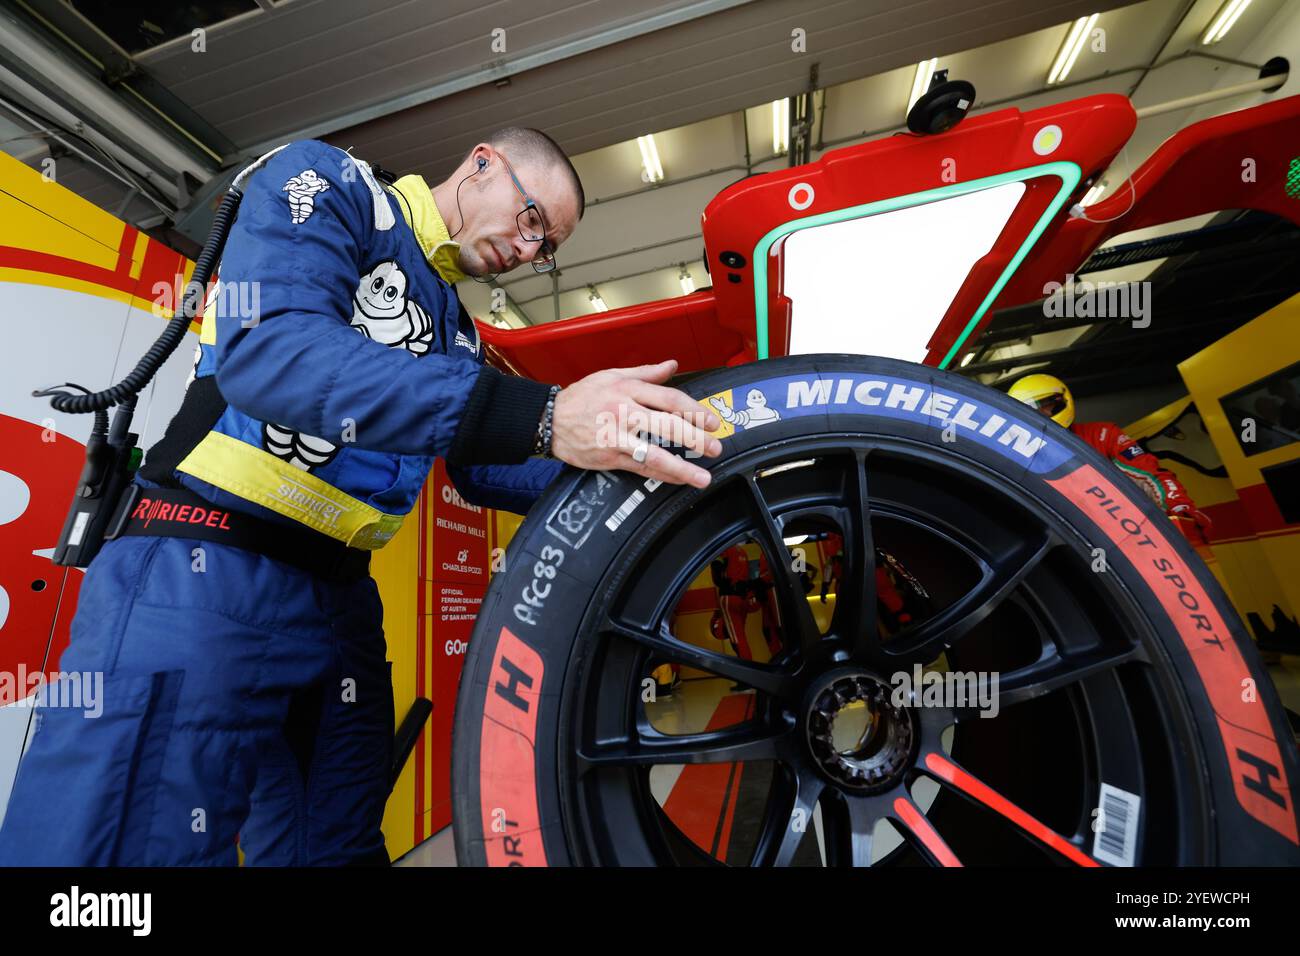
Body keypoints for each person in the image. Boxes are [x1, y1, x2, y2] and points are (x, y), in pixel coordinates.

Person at [0, 128, 721, 866]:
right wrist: (541, 413)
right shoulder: (331, 183)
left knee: (336, 849)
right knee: (119, 856)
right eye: (533, 220)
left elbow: (486, 467)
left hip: (340, 607)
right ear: (482, 164)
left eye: (548, 246)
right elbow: (271, 349)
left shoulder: (458, 335)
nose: (532, 250)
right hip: (203, 565)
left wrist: (641, 464)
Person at [1008, 373, 1212, 545]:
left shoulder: (1103, 434)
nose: (1041, 414)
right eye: (1030, 410)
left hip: (1129, 536)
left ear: (1062, 401)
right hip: (1070, 545)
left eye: (1046, 405)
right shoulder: (1015, 456)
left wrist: (1179, 506)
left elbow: (1149, 473)